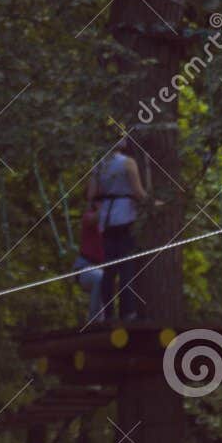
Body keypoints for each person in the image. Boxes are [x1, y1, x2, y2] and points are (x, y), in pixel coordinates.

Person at [85, 137, 151, 321]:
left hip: (106, 220)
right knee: (126, 266)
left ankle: (107, 313)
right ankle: (127, 312)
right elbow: (138, 192)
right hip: (124, 216)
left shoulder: (99, 165)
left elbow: (91, 194)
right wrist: (153, 204)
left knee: (109, 269)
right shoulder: (128, 163)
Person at [74, 204, 105, 324]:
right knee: (100, 278)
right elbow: (94, 219)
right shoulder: (88, 217)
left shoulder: (110, 223)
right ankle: (94, 321)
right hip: (83, 268)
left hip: (102, 268)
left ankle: (103, 318)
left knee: (103, 278)